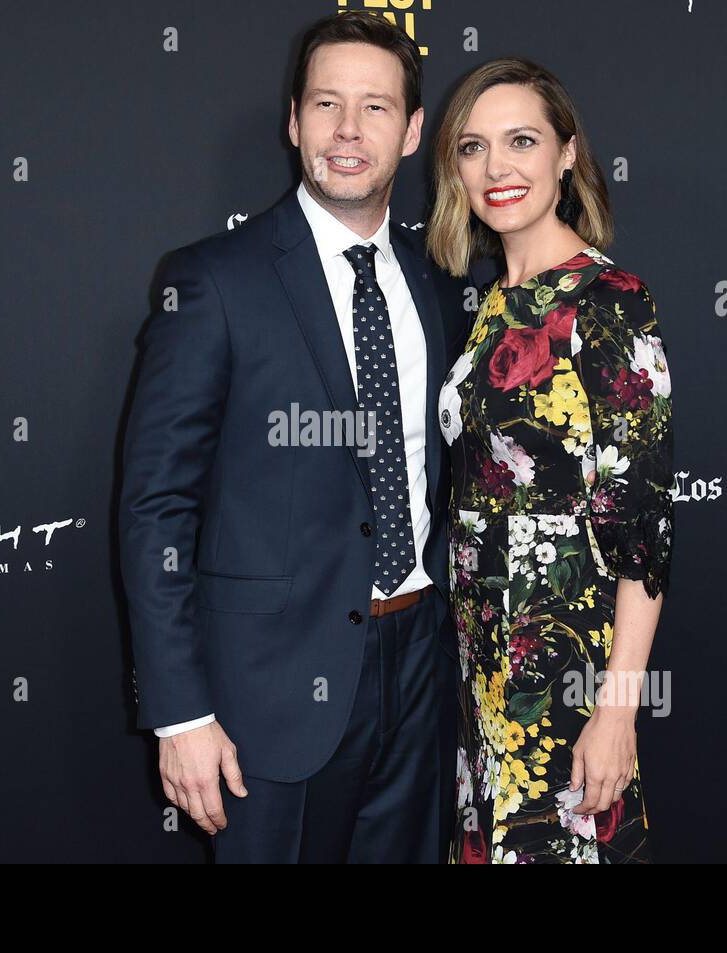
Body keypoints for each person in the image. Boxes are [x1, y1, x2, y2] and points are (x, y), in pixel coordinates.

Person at [118, 11, 469, 863]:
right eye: (326, 104)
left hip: (421, 668)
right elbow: (157, 504)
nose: (348, 131)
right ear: (293, 121)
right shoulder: (211, 281)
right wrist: (181, 711)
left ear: (414, 131)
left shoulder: (439, 283)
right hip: (268, 697)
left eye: (377, 108)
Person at [426, 58, 676, 863]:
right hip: (482, 669)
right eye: (473, 147)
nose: (496, 169)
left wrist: (618, 711)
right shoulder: (492, 302)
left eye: (521, 141)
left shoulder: (609, 302)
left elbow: (646, 535)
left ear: (566, 153)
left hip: (565, 672)